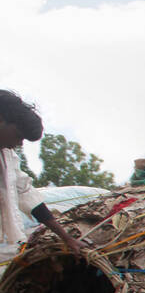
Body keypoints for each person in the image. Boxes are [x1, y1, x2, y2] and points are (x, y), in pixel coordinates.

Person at [0, 91, 90, 261]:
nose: (19, 144)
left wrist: (67, 238)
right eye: (19, 136)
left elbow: (27, 195)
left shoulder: (7, 159)